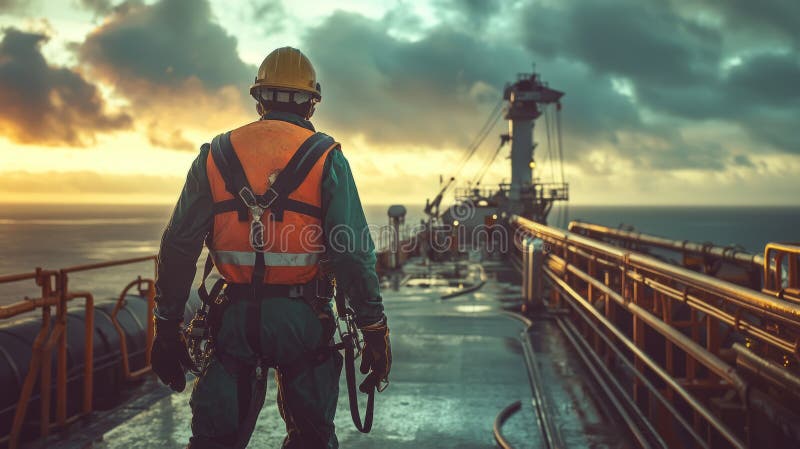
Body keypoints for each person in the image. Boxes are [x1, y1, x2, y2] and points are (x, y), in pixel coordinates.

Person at [148, 47, 391, 449]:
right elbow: (351, 252)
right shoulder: (327, 158)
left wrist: (167, 324)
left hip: (233, 320)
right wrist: (374, 327)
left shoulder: (215, 155)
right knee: (311, 438)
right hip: (303, 319)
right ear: (311, 104)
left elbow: (178, 245)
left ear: (259, 100)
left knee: (215, 439)